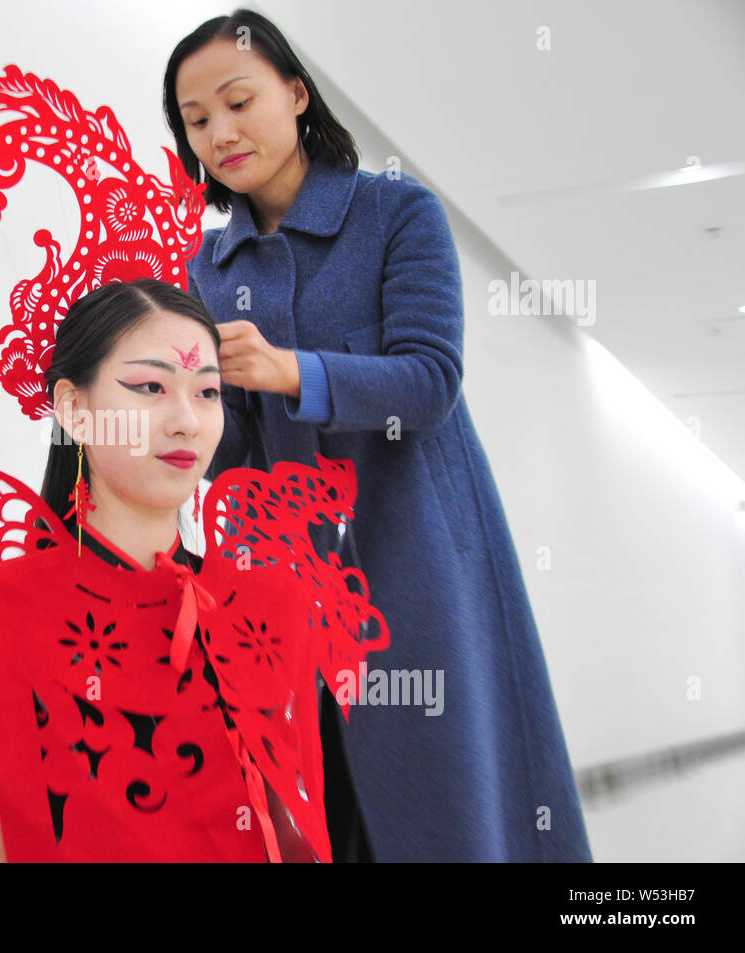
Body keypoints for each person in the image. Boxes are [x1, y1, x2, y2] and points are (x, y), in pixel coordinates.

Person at [163, 8, 592, 861]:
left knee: (445, 792)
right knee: (322, 804)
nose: (221, 131)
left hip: (417, 557)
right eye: (197, 119)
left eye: (239, 101)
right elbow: (238, 446)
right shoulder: (205, 267)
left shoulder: (399, 215)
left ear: (296, 92)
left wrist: (293, 371)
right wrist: (172, 419)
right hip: (282, 583)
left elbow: (431, 381)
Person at [0, 278, 391, 861]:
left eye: (207, 393)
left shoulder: (271, 607)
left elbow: (313, 833)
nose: (186, 422)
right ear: (73, 410)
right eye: (150, 386)